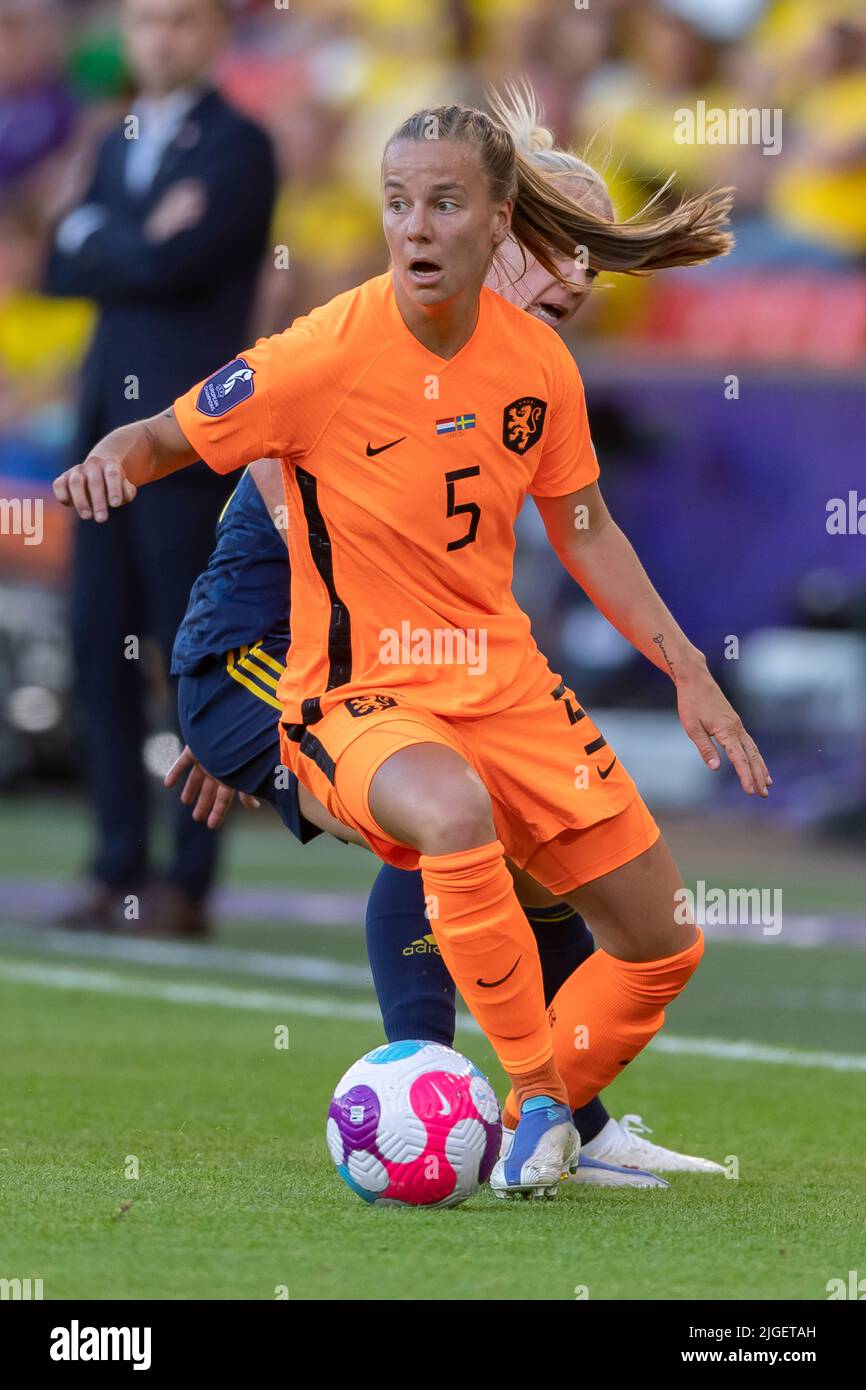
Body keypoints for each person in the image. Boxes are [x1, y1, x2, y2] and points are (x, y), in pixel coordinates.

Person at [53, 99, 770, 1200]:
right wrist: (265, 729)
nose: (578, 280)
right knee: (443, 819)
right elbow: (267, 481)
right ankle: (470, 1094)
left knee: (531, 861)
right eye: (563, 249)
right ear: (507, 229)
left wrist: (680, 660)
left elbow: (572, 529)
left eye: (591, 259)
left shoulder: (522, 364)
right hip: (274, 651)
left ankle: (564, 1114)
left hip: (434, 669)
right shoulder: (343, 349)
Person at [44, 0, 276, 936]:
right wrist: (122, 243)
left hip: (185, 438)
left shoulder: (241, 145)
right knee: (100, 648)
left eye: (181, 21)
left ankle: (187, 880)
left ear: (217, 32)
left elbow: (185, 263)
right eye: (147, 23)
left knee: (192, 654)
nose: (162, 39)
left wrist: (104, 239)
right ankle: (115, 868)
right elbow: (59, 265)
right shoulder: (114, 141)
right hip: (103, 431)